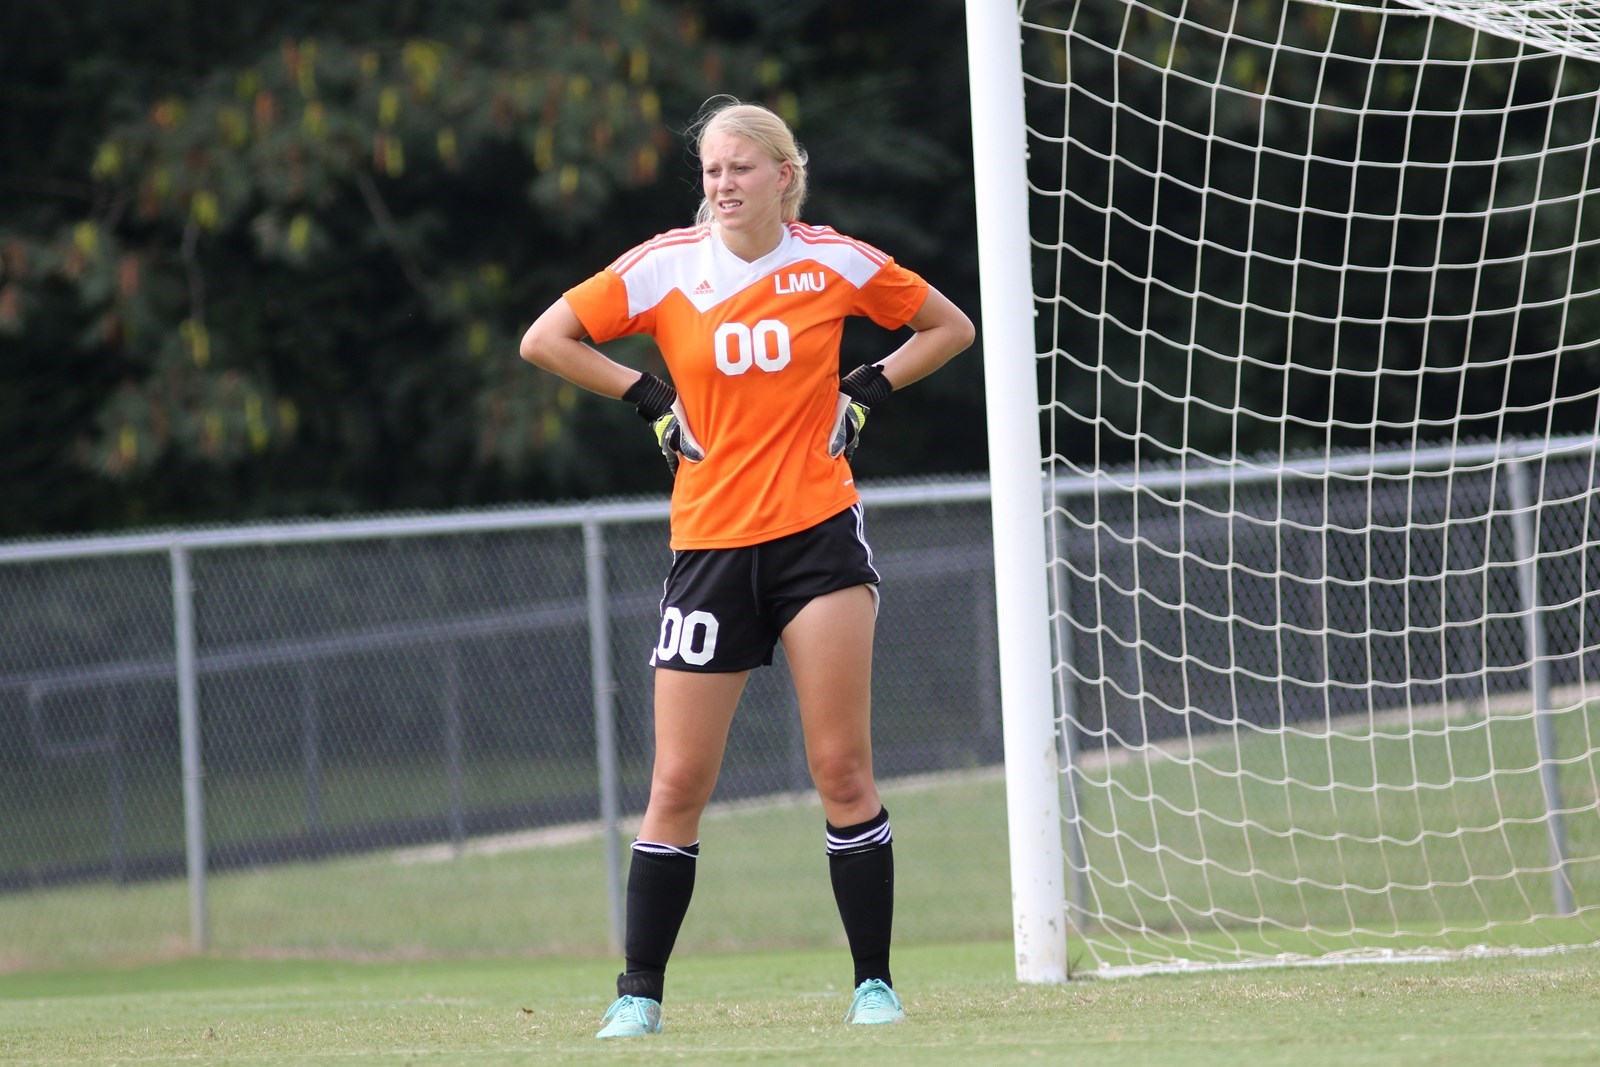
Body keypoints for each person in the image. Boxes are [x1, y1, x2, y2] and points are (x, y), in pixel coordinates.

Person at [518, 96, 974, 1038]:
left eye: (740, 169)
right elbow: (546, 338)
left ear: (783, 176)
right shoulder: (664, 266)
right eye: (712, 170)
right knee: (678, 782)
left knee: (841, 767)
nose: (722, 185)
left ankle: (874, 987)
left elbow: (947, 327)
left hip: (817, 539)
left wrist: (869, 387)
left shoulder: (835, 260)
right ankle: (637, 996)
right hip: (710, 550)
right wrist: (643, 390)